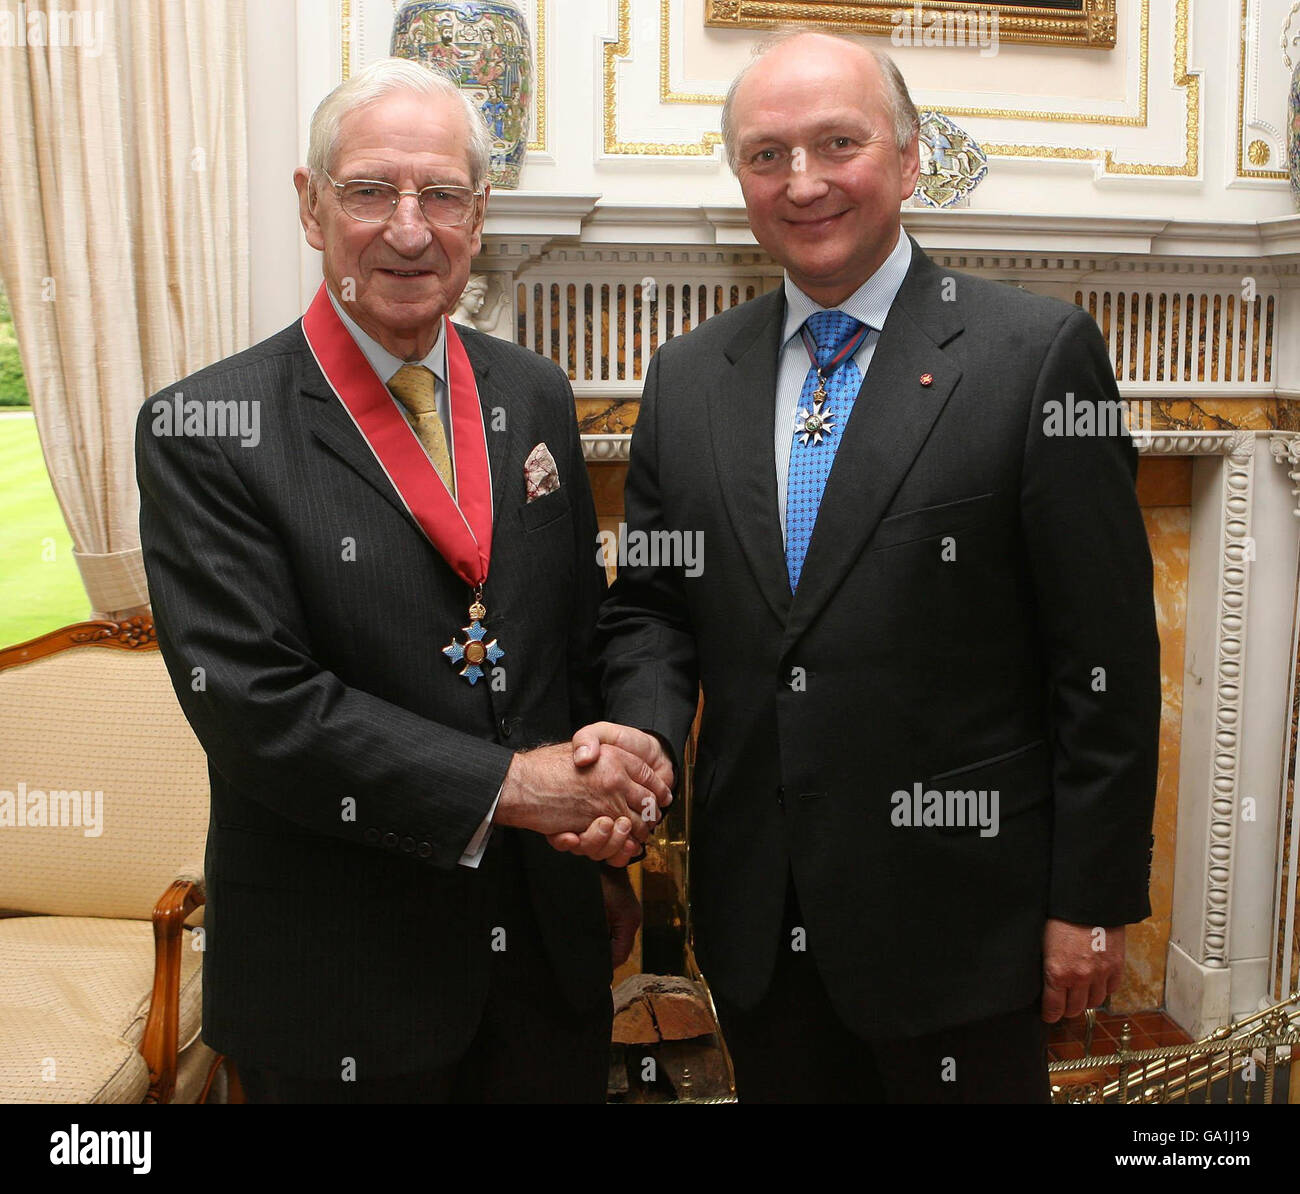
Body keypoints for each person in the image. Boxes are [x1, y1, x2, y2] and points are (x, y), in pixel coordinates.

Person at [571, 32, 1160, 1103]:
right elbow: (653, 608)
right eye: (765, 154)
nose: (801, 183)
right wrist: (645, 742)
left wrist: (1088, 899)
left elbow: (1104, 656)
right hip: (760, 919)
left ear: (907, 154)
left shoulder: (1034, 358)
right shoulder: (689, 378)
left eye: (836, 143)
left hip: (963, 928)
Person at [135, 58, 670, 1104]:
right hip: (337, 983)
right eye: (372, 190)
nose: (410, 229)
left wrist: (615, 795)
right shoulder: (206, 430)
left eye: (442, 195)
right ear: (311, 207)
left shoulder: (532, 391)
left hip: (545, 964)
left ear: (480, 217)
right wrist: (520, 789)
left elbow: (574, 634)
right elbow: (260, 709)